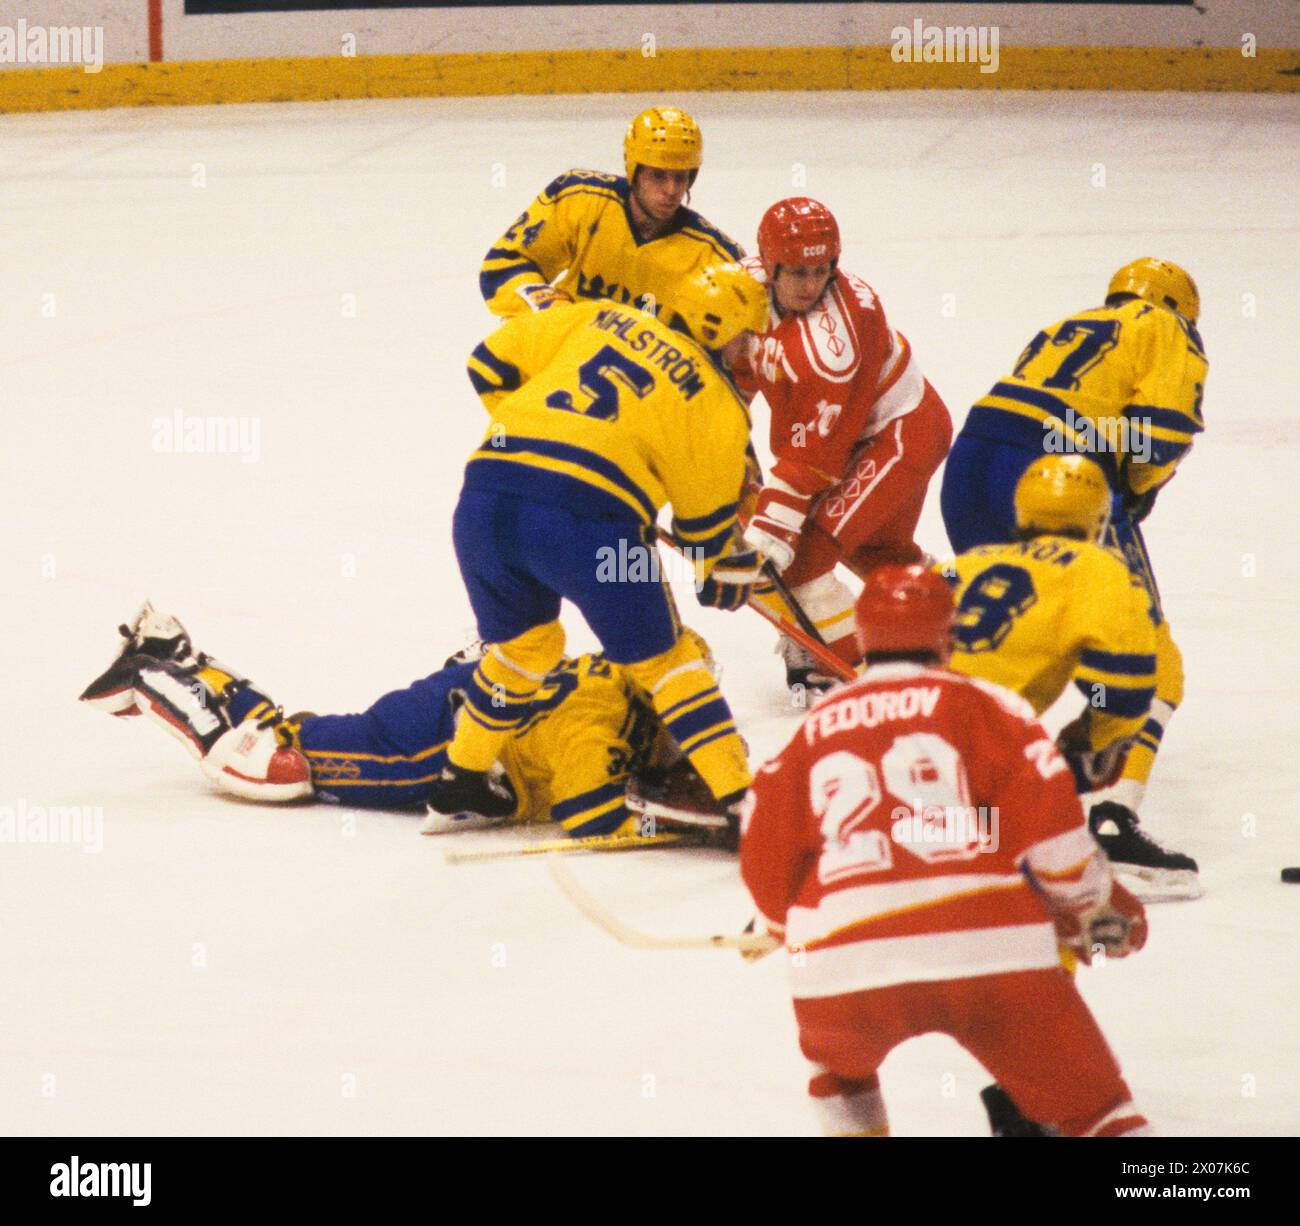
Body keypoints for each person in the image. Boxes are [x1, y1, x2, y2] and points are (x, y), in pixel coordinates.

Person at [739, 565, 1150, 1138]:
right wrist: (1095, 904)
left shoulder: (812, 731)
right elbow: (1050, 836)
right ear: (948, 636)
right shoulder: (989, 706)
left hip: (844, 964)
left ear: (861, 634)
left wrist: (780, 922)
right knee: (1100, 1112)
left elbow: (765, 856)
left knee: (836, 1071)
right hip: (991, 951)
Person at [426, 263, 770, 824]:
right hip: (592, 532)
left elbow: (486, 363)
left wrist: (536, 436)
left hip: (484, 501)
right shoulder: (718, 406)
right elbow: (704, 538)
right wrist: (727, 575)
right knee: (666, 659)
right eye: (748, 337)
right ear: (725, 331)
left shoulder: (596, 316)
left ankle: (460, 780)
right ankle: (741, 799)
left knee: (523, 651)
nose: (751, 350)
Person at [939, 258, 1205, 883]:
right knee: (1153, 656)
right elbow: (1160, 434)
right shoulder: (1166, 328)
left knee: (1007, 629)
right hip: (1057, 471)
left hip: (970, 463)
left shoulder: (1070, 323)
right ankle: (1110, 814)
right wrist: (1135, 485)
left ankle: (967, 805)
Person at [80, 604, 706, 839]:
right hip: (433, 741)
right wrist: (685, 825)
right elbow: (593, 817)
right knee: (276, 766)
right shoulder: (593, 733)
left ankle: (181, 656)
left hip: (478, 694)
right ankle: (154, 675)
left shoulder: (632, 671)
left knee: (296, 733)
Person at [940, 456, 1195, 893]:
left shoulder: (962, 563)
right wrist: (1086, 748)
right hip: (970, 771)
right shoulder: (1100, 570)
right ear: (1099, 518)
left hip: (872, 746)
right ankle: (1107, 819)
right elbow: (1125, 685)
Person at [734, 198, 952, 691]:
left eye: (821, 271)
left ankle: (863, 677)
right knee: (879, 553)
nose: (811, 286)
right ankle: (959, 619)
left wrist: (765, 540)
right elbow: (733, 359)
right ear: (769, 265)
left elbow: (812, 462)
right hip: (875, 430)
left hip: (898, 436)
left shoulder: (831, 349)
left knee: (804, 559)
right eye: (797, 272)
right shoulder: (740, 286)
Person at [479, 105, 743, 319]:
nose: (672, 190)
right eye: (658, 176)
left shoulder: (715, 258)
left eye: (681, 177)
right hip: (560, 351)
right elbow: (504, 266)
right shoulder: (579, 198)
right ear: (633, 170)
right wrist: (556, 314)